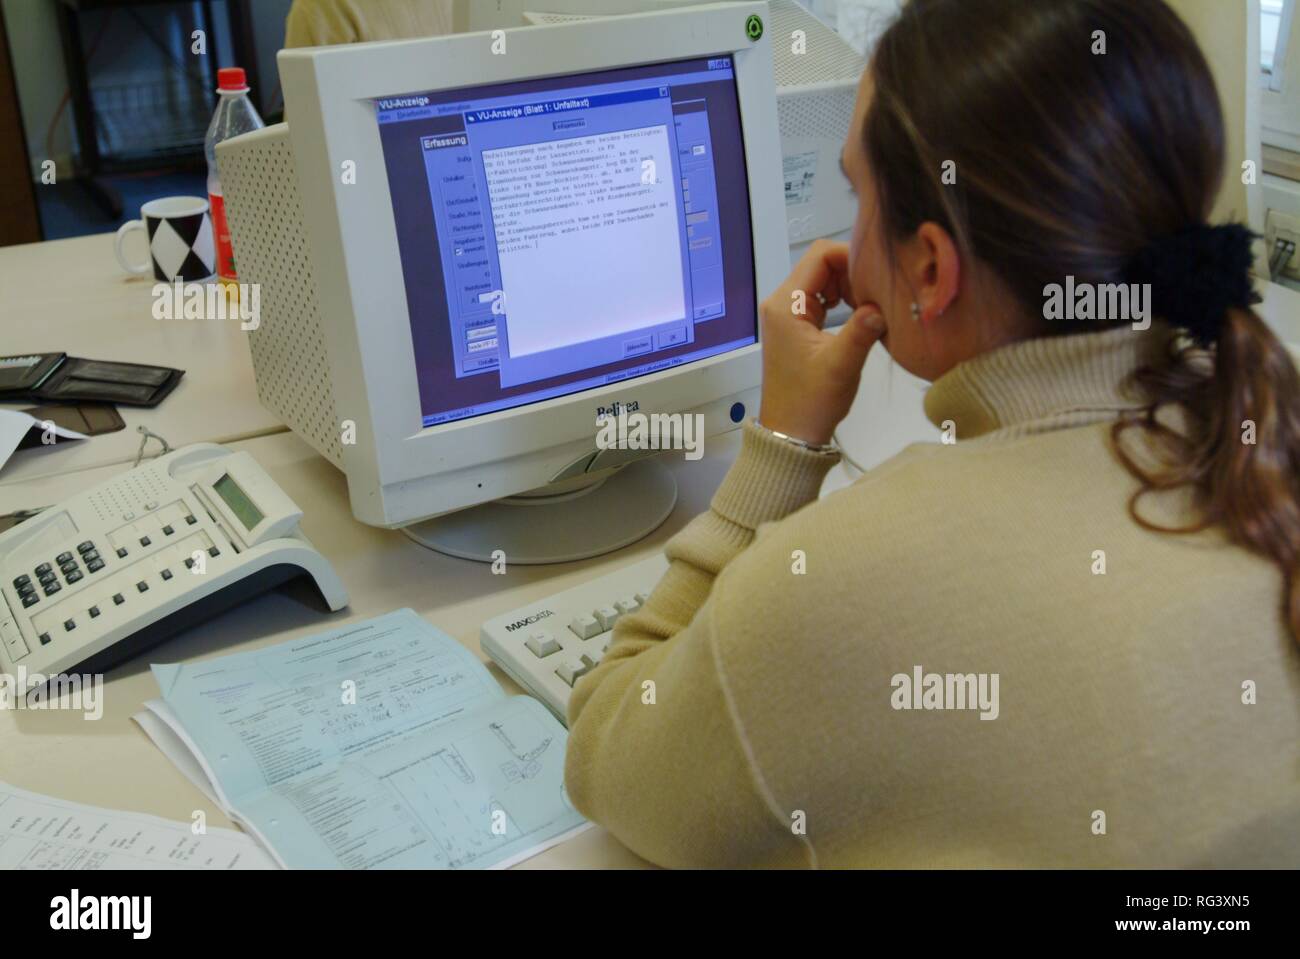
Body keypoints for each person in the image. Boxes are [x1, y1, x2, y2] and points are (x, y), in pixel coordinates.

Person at [563, 0, 1300, 868]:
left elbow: (609, 750)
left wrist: (780, 445)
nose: (846, 241)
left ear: (930, 266)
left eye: (857, 197)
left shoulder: (844, 577)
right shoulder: (1254, 427)